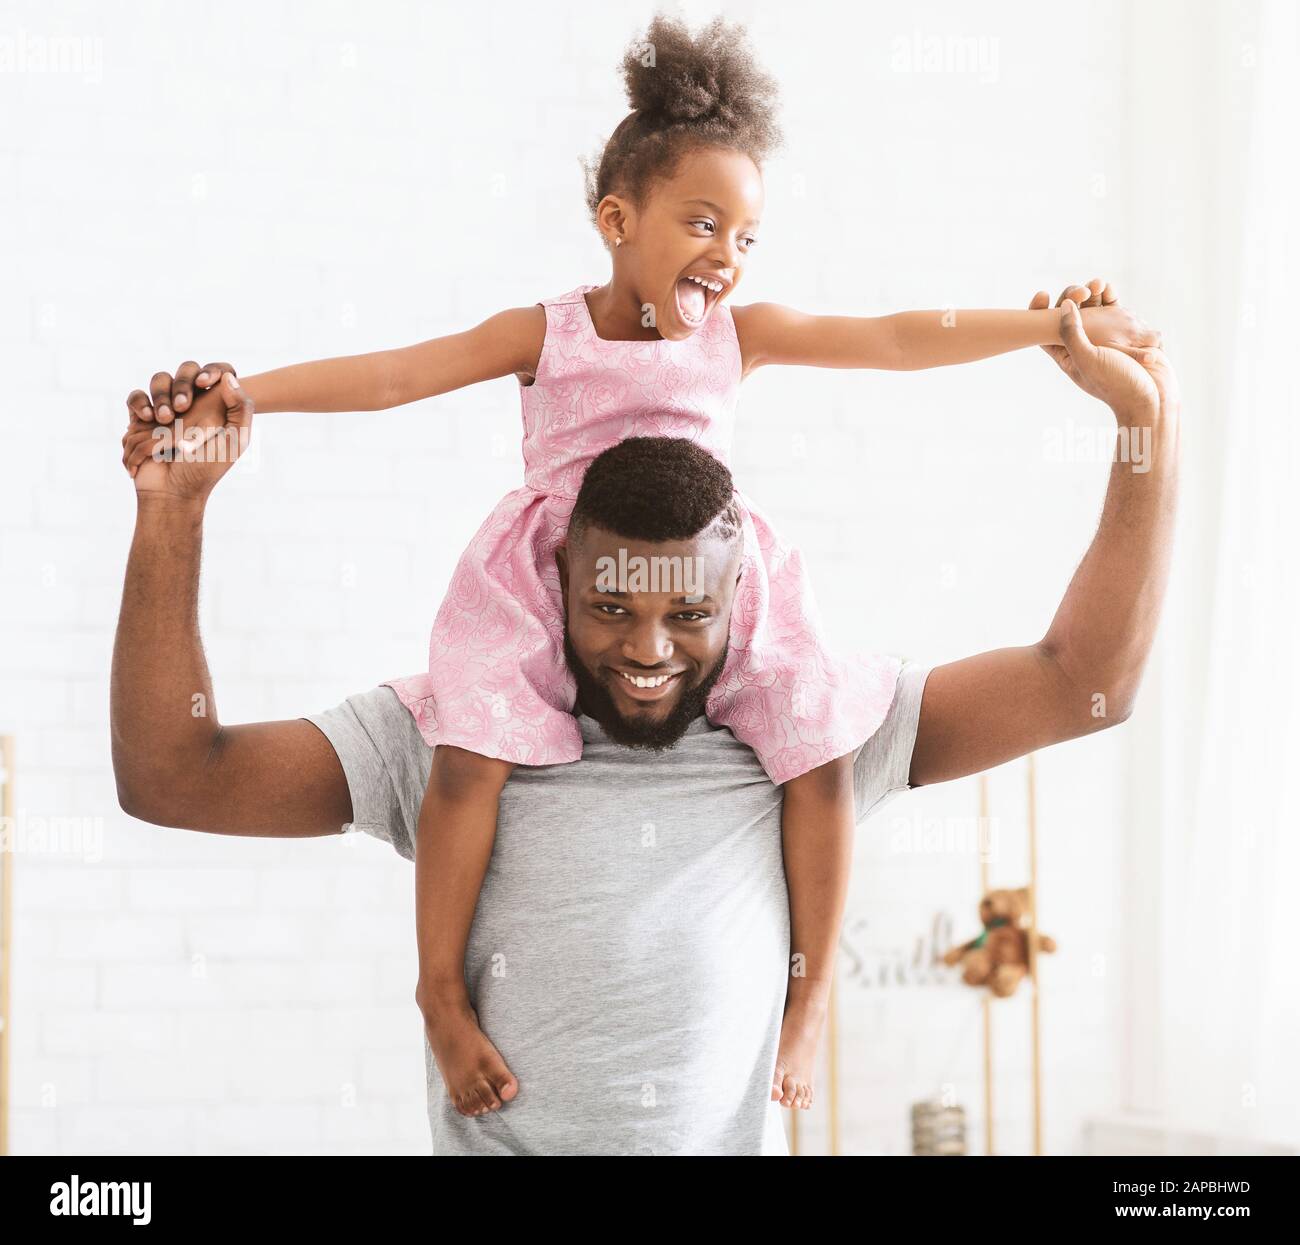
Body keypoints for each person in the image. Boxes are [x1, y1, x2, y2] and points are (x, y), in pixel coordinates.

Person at [121, 13, 1160, 1118]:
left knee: (813, 740)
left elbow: (896, 336)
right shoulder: (549, 334)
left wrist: (1046, 327)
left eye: (746, 237)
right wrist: (251, 398)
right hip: (545, 571)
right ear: (617, 221)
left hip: (711, 560)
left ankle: (807, 1005)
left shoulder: (736, 335)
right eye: (701, 224)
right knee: (470, 756)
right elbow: (394, 376)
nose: (725, 255)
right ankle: (438, 995)